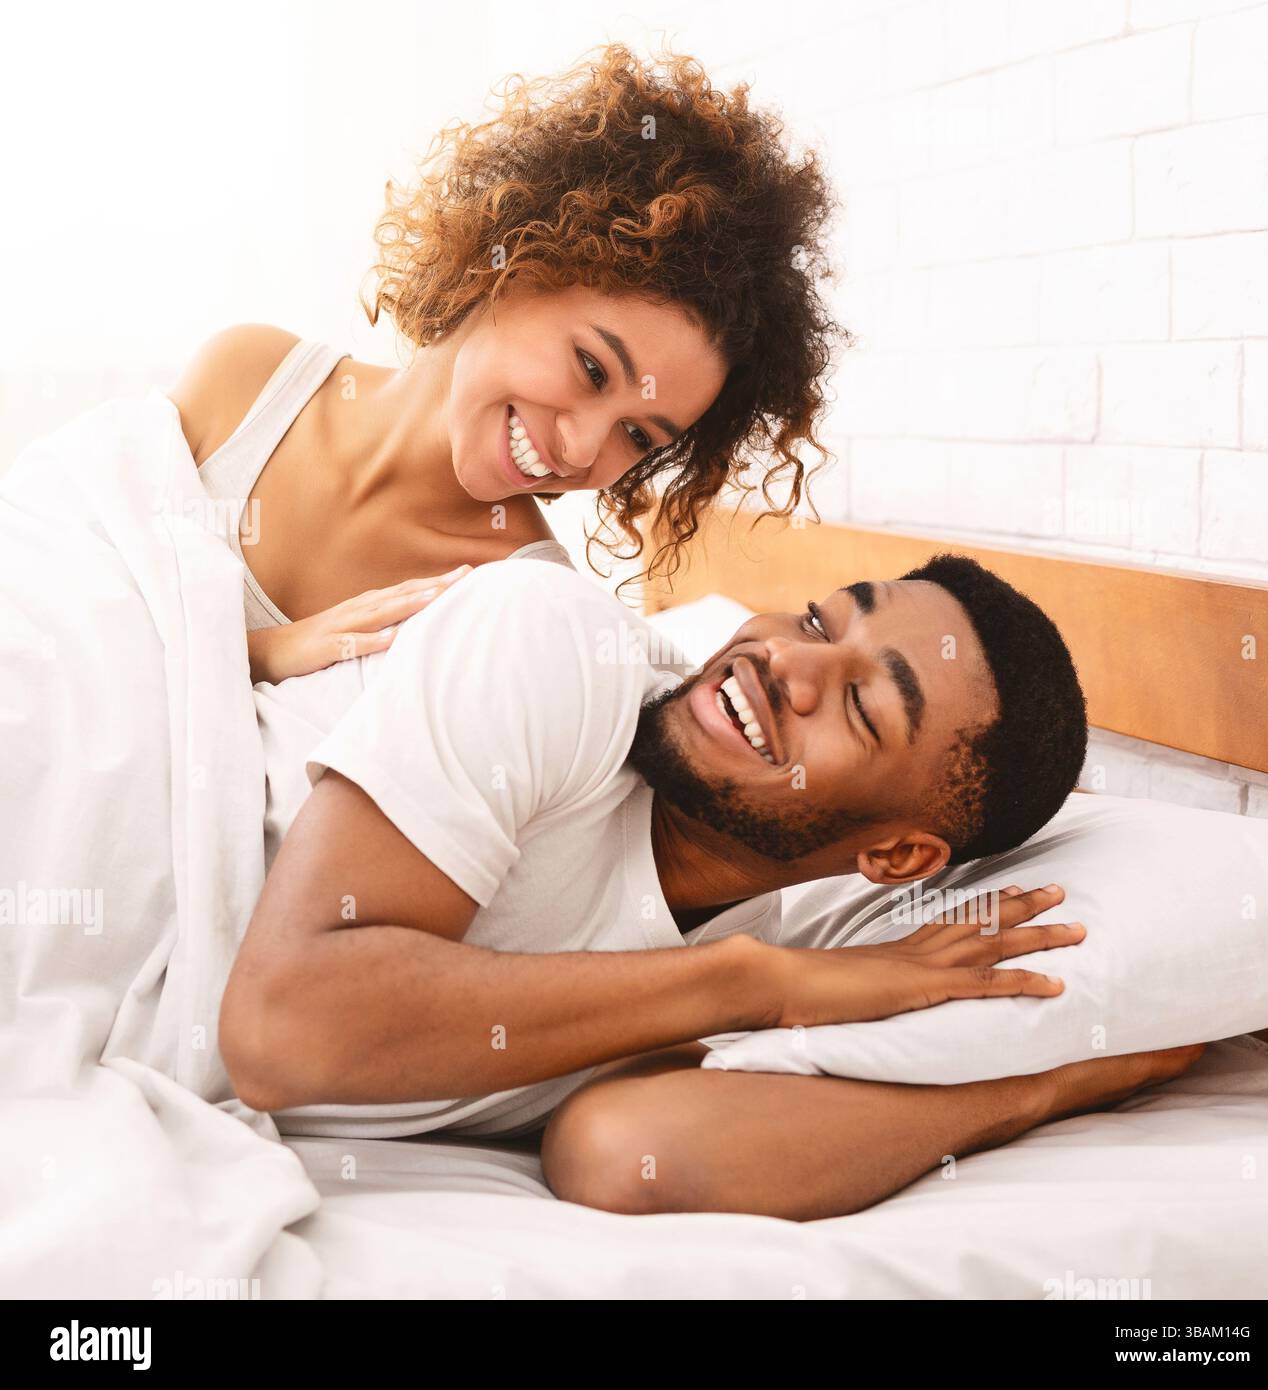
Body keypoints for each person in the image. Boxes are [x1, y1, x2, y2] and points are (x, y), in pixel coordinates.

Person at [219, 552, 1204, 1218]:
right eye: (820, 618)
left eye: (859, 703)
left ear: (899, 858)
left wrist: (1041, 1085)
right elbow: (281, 1029)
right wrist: (753, 986)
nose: (788, 661)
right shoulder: (553, 640)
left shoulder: (791, 946)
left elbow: (618, 1152)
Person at [165, 42, 851, 684]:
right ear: (519, 259)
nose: (581, 450)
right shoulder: (250, 382)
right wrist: (265, 654)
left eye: (640, 436)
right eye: (591, 369)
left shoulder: (520, 608)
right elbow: (77, 608)